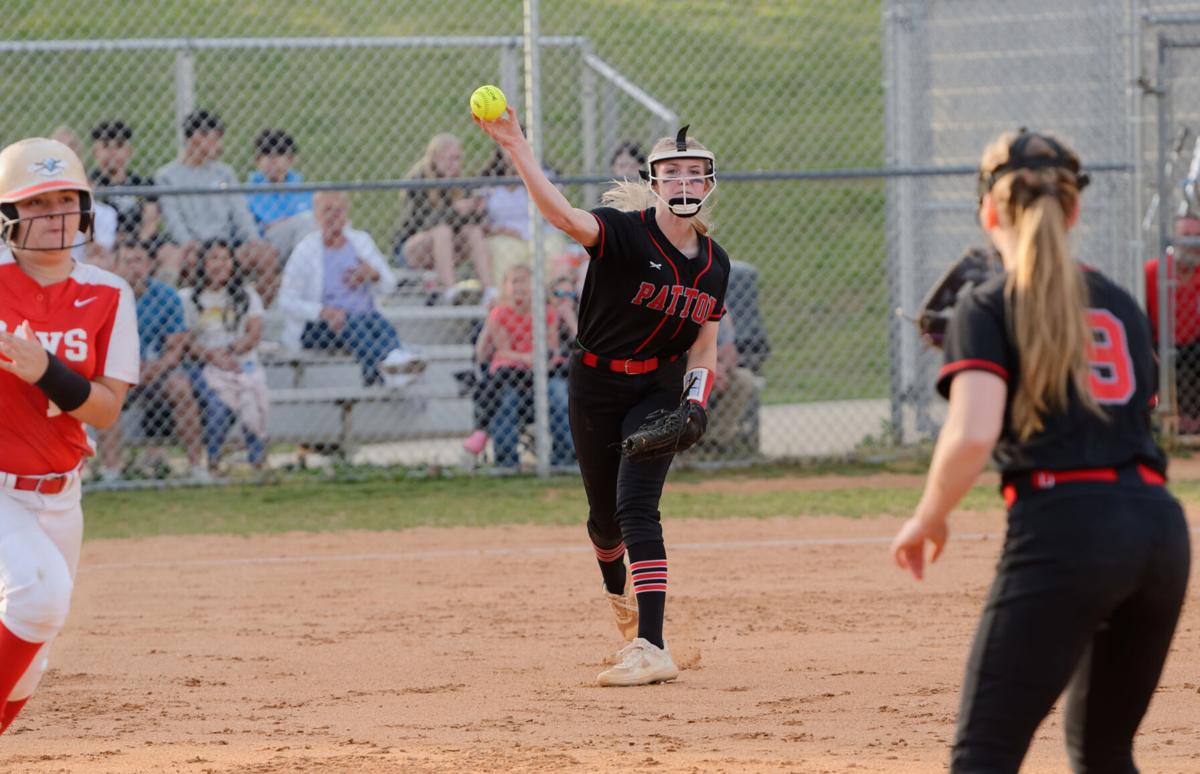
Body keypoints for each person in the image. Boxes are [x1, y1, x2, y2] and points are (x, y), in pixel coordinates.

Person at [889, 129, 1190, 772]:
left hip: (1066, 530)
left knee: (984, 756)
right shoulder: (1122, 303)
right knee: (1105, 752)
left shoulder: (989, 302)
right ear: (1073, 209)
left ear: (989, 212)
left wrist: (929, 515)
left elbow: (973, 432)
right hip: (1160, 531)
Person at [477, 111, 728, 686]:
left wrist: (696, 403)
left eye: (696, 174)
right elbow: (561, 215)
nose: (685, 184)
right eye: (673, 174)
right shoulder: (622, 232)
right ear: (655, 181)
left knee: (637, 506)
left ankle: (653, 644)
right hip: (594, 384)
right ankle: (623, 609)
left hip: (658, 386)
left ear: (708, 184)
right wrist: (515, 144)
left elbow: (704, 347)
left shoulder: (716, 265)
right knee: (603, 524)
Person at [0, 137, 138, 734]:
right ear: (9, 216)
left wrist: (46, 371)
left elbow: (105, 409)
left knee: (31, 663)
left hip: (61, 496)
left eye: (65, 201)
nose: (53, 216)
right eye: (35, 204)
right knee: (40, 598)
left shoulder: (109, 293)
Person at [279, 191, 425, 387]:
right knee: (353, 322)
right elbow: (286, 300)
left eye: (339, 210)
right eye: (327, 210)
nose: (333, 216)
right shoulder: (305, 251)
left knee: (378, 322)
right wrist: (324, 312)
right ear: (316, 216)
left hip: (365, 319)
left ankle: (389, 366)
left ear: (347, 214)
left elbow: (389, 284)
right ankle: (388, 368)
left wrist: (373, 275)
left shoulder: (360, 242)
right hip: (320, 327)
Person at [95, 239, 207, 481]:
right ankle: (112, 472)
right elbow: (95, 346)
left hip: (156, 370)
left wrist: (157, 367)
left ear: (150, 265)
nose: (135, 267)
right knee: (106, 397)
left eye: (140, 261)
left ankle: (197, 467)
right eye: (128, 261)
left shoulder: (166, 296)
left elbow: (175, 349)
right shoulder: (102, 296)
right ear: (114, 265)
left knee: (181, 389)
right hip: (117, 372)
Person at [155, 109, 280, 304]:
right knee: (188, 261)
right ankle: (191, 315)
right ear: (196, 137)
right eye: (215, 139)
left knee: (266, 255)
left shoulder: (225, 173)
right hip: (194, 248)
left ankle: (251, 314)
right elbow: (173, 220)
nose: (220, 146)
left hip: (228, 247)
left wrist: (253, 239)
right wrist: (189, 244)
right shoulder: (167, 176)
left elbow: (240, 213)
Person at [178, 240, 268, 473]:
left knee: (252, 398)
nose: (219, 264)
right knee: (219, 405)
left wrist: (230, 353)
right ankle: (213, 460)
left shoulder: (247, 295)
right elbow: (185, 340)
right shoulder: (188, 298)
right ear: (202, 264)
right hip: (203, 365)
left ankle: (257, 461)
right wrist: (212, 356)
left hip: (240, 362)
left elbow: (254, 332)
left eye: (224, 258)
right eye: (213, 258)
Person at [482, 264, 574, 468]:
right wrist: (527, 357)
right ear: (505, 287)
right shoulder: (499, 313)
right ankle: (506, 461)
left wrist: (539, 358)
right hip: (511, 375)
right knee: (506, 401)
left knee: (559, 394)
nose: (520, 286)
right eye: (514, 281)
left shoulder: (547, 311)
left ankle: (565, 457)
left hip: (543, 372)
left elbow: (552, 347)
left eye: (525, 281)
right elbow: (504, 351)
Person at [394, 133, 496, 304]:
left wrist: (476, 211)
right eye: (450, 159)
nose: (455, 165)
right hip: (413, 249)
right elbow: (423, 223)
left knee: (473, 230)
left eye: (458, 159)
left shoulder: (457, 183)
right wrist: (455, 209)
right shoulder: (419, 181)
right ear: (435, 158)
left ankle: (489, 289)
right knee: (442, 231)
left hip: (446, 251)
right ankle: (450, 291)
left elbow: (464, 225)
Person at [88, 120, 184, 285]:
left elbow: (150, 221)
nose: (112, 152)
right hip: (108, 244)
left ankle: (154, 296)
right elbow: (85, 222)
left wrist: (137, 244)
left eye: (119, 146)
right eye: (105, 146)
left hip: (142, 241)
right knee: (98, 260)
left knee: (171, 253)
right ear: (96, 152)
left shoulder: (142, 183)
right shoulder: (89, 184)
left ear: (129, 151)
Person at [1145, 213, 1200, 432]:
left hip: (1193, 345)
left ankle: (1191, 423)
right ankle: (1151, 421)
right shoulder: (1154, 271)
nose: (1191, 242)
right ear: (1173, 239)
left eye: (1197, 236)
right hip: (1158, 344)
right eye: (1186, 235)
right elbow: (1140, 316)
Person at [246, 128, 318, 260]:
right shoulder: (249, 192)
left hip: (304, 239)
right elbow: (254, 229)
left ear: (290, 159)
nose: (273, 159)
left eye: (280, 152)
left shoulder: (303, 189)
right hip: (268, 245)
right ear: (257, 160)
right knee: (307, 221)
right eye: (266, 152)